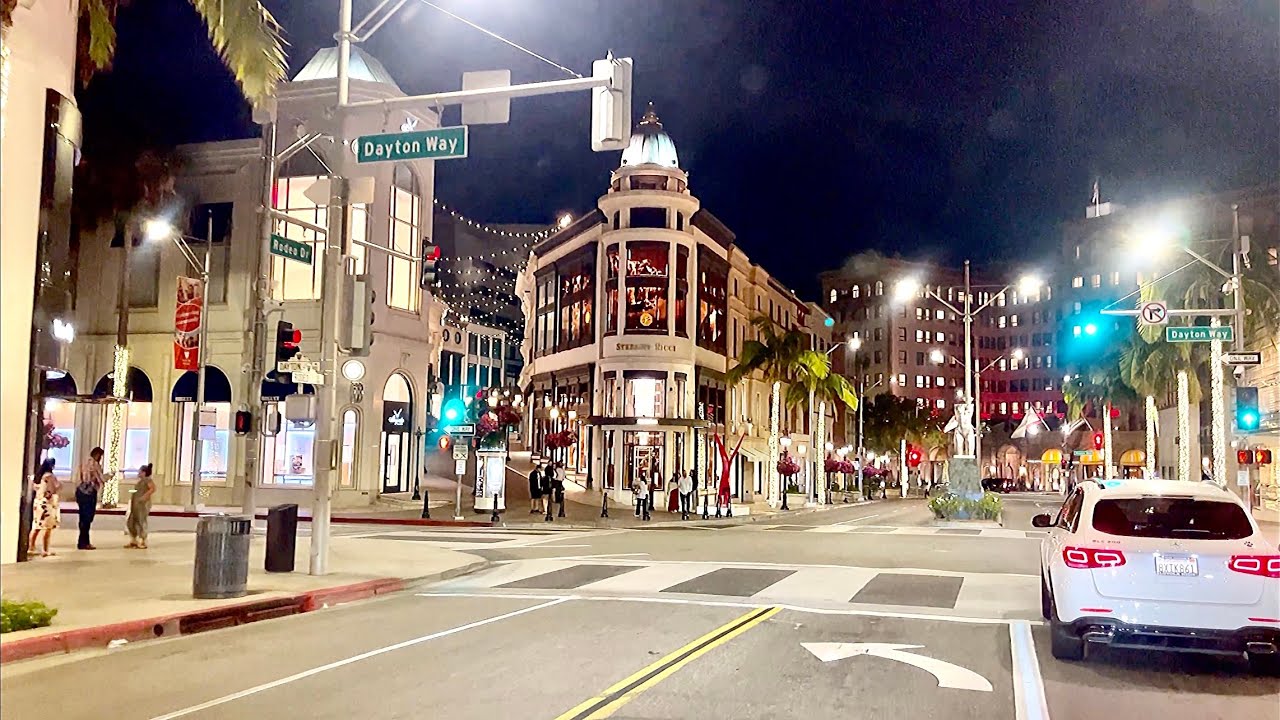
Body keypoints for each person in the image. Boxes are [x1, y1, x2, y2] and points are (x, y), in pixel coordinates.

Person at [28, 459, 60, 558]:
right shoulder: (50, 476)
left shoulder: (38, 477)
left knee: (36, 526)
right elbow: (53, 489)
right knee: (48, 528)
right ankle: (46, 549)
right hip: (47, 504)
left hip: (38, 502)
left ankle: (31, 547)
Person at [74, 447, 105, 550]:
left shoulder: (83, 463)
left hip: (80, 492)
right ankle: (84, 542)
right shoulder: (95, 465)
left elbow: (78, 477)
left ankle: (81, 541)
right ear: (97, 455)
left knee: (82, 517)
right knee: (88, 518)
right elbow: (101, 479)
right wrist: (110, 476)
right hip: (89, 493)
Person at [126, 463, 157, 549]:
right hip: (135, 504)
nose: (138, 473)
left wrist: (144, 497)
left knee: (141, 521)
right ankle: (133, 540)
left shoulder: (148, 480)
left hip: (142, 505)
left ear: (144, 472)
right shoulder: (140, 482)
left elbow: (153, 489)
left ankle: (142, 540)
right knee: (131, 521)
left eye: (140, 471)